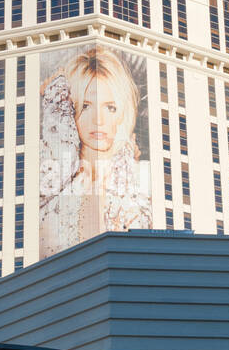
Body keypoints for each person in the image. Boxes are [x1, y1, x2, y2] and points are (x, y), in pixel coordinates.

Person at [39, 45, 152, 257]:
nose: (98, 121)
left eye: (110, 108)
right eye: (86, 106)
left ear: (123, 112)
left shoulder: (142, 180)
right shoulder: (50, 190)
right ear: (69, 109)